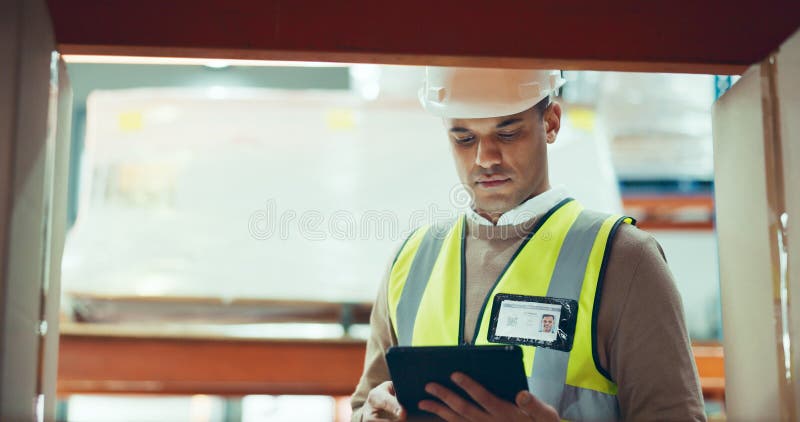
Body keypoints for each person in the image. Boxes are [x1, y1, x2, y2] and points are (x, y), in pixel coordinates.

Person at [350, 67, 705, 421]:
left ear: (550, 123)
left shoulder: (624, 260)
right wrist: (370, 415)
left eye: (507, 133)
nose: (485, 158)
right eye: (464, 139)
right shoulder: (410, 261)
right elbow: (364, 405)